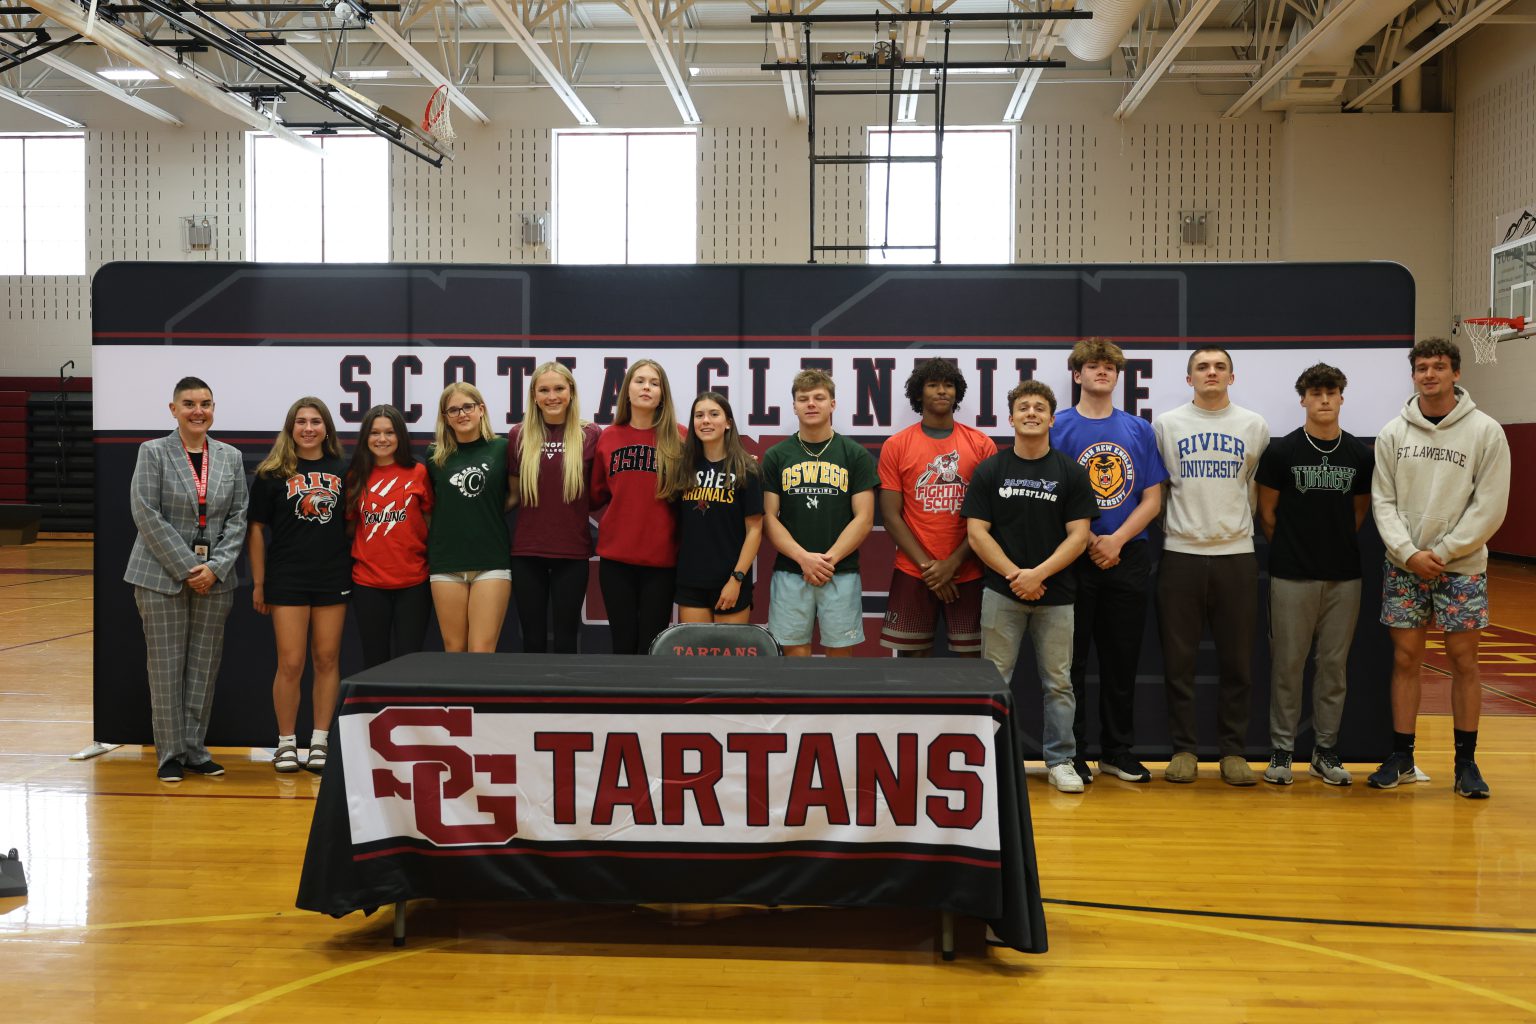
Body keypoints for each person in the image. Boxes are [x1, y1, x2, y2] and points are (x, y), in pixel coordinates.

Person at [1368, 337, 1511, 798]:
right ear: (1413, 374)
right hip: (1404, 564)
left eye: (1439, 367)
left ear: (1456, 374)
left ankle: (1465, 764)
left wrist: (1445, 553)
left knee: (1464, 662)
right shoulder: (1394, 432)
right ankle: (1402, 756)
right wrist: (1408, 552)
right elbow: (1382, 502)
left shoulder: (1486, 431)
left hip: (1462, 567)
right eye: (1422, 367)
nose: (1430, 374)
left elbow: (1489, 506)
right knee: (1406, 659)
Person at [964, 380, 1096, 793]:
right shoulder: (991, 469)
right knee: (994, 680)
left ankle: (1060, 761)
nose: (1032, 413)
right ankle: (994, 761)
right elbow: (976, 533)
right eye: (1024, 407)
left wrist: (1037, 575)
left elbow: (1079, 536)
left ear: (1052, 418)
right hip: (1001, 594)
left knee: (1058, 683)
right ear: (1011, 418)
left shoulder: (1070, 472)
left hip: (1056, 596)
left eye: (1040, 407)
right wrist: (1015, 576)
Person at [1050, 339, 1167, 785]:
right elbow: (1051, 496)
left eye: (1109, 367)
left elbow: (1152, 498)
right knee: (1071, 664)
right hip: (1072, 556)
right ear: (1076, 375)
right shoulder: (1056, 427)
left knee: (1122, 660)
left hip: (1128, 553)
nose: (1101, 372)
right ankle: (1073, 753)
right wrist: (1086, 539)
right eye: (1092, 366)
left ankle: (1118, 751)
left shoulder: (1138, 429)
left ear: (1118, 376)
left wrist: (1115, 539)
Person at [1152, 347, 1270, 786]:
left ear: (1232, 377)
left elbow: (1254, 490)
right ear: (1189, 379)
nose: (1211, 372)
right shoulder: (1167, 424)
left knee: (1238, 661)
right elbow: (1159, 489)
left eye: (1220, 366)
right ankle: (1183, 749)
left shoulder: (1253, 425)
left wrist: (1233, 530)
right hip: (1180, 554)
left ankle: (1232, 751)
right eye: (1202, 367)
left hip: (1236, 555)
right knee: (1178, 661)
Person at [125, 377, 249, 784]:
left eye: (206, 403)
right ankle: (170, 754)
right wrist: (187, 567)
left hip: (215, 579)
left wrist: (215, 567)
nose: (199, 410)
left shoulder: (229, 457)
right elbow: (145, 512)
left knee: (202, 668)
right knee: (165, 669)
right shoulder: (153, 452)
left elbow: (238, 519)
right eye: (190, 403)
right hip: (160, 576)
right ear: (173, 408)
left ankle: (195, 750)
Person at [1256, 364, 1372, 786]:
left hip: (1344, 577)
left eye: (1331, 392)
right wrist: (1294, 547)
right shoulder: (1282, 452)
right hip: (1292, 575)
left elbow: (1358, 513)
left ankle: (1325, 751)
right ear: (1303, 399)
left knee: (1333, 666)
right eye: (1316, 393)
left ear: (1342, 397)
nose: (1324, 399)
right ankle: (1282, 751)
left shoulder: (1359, 454)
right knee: (1287, 665)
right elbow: (1267, 513)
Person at [247, 396, 350, 774]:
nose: (308, 428)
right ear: (290, 427)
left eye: (316, 421)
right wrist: (260, 582)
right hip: (287, 577)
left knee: (327, 659)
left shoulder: (345, 468)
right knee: (290, 662)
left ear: (327, 428)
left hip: (332, 575)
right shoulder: (272, 473)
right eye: (301, 421)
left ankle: (320, 740)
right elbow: (255, 530)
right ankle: (286, 743)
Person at [877, 357, 995, 658]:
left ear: (957, 393)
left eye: (948, 385)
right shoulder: (896, 445)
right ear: (919, 393)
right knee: (912, 664)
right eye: (933, 385)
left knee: (972, 663)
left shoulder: (981, 445)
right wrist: (930, 569)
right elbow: (891, 516)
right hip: (913, 570)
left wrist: (952, 564)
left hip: (968, 570)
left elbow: (989, 516)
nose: (942, 391)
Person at [761, 368, 878, 657]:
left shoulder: (855, 454)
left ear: (832, 404)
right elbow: (768, 517)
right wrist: (804, 559)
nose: (811, 404)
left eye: (819, 397)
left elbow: (864, 519)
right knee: (794, 659)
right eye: (803, 399)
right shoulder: (777, 456)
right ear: (794, 406)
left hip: (840, 571)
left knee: (839, 662)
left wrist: (827, 560)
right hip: (791, 571)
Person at [590, 359, 689, 654]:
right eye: (640, 381)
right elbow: (596, 494)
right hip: (616, 559)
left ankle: (650, 702)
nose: (647, 387)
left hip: (662, 560)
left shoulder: (680, 436)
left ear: (662, 394)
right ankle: (622, 701)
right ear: (627, 390)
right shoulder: (609, 436)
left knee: (652, 644)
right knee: (621, 642)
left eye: (654, 383)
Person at [508, 362, 601, 653]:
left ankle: (565, 699)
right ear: (534, 396)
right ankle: (530, 699)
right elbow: (512, 493)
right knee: (532, 639)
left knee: (566, 637)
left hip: (571, 551)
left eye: (559, 388)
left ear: (571, 392)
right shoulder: (518, 435)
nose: (552, 396)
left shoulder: (591, 434)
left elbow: (598, 493)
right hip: (527, 551)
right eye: (544, 390)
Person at [425, 382, 512, 654]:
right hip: (447, 561)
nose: (461, 414)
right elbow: (429, 509)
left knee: (481, 650)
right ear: (445, 417)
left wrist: (483, 513)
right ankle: (459, 700)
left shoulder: (502, 449)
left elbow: (516, 496)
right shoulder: (434, 456)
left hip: (490, 560)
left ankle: (480, 699)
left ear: (481, 409)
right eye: (453, 410)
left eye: (468, 407)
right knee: (454, 650)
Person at [345, 404, 433, 669]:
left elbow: (429, 522)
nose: (382, 439)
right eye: (374, 433)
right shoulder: (354, 476)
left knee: (410, 662)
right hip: (368, 583)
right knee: (374, 661)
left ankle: (408, 712)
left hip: (414, 581)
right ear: (365, 437)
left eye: (389, 433)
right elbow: (351, 528)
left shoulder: (418, 473)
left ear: (400, 437)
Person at [675, 391, 765, 623]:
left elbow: (755, 530)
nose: (705, 420)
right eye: (699, 415)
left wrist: (736, 579)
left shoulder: (748, 469)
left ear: (728, 423)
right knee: (695, 656)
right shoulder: (683, 468)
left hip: (731, 581)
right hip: (691, 581)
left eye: (714, 414)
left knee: (730, 658)